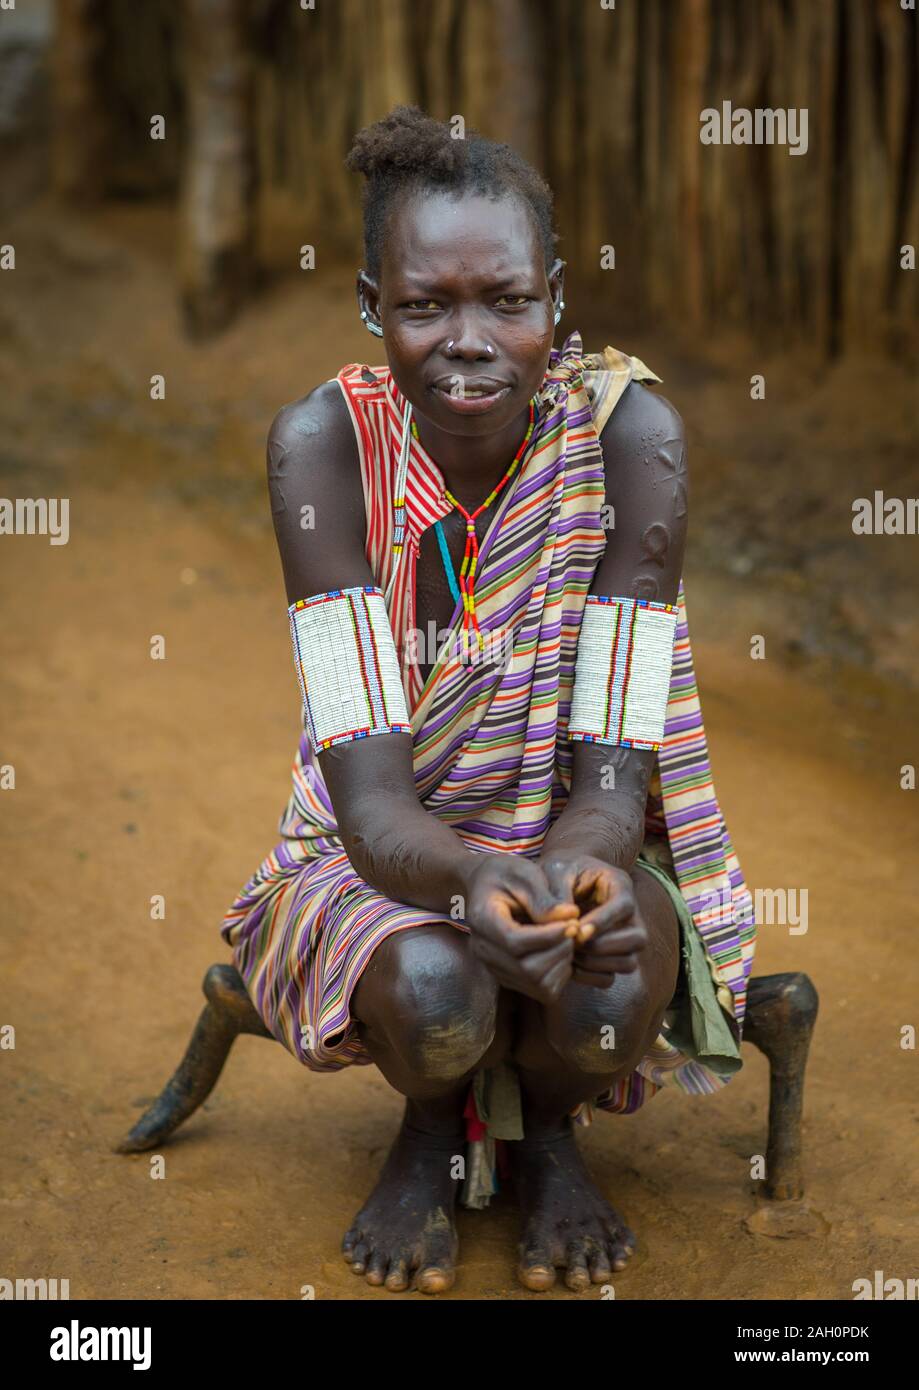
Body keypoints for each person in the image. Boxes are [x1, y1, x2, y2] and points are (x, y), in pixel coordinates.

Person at [220, 105, 756, 1295]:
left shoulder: (629, 442)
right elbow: (366, 788)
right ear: (372, 305)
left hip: (569, 822)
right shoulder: (323, 450)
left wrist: (587, 871)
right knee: (434, 990)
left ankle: (551, 1133)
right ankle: (427, 1131)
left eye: (506, 303)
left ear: (554, 299)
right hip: (377, 849)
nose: (469, 343)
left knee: (608, 983)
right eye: (424, 307)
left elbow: (617, 757)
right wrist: (470, 880)